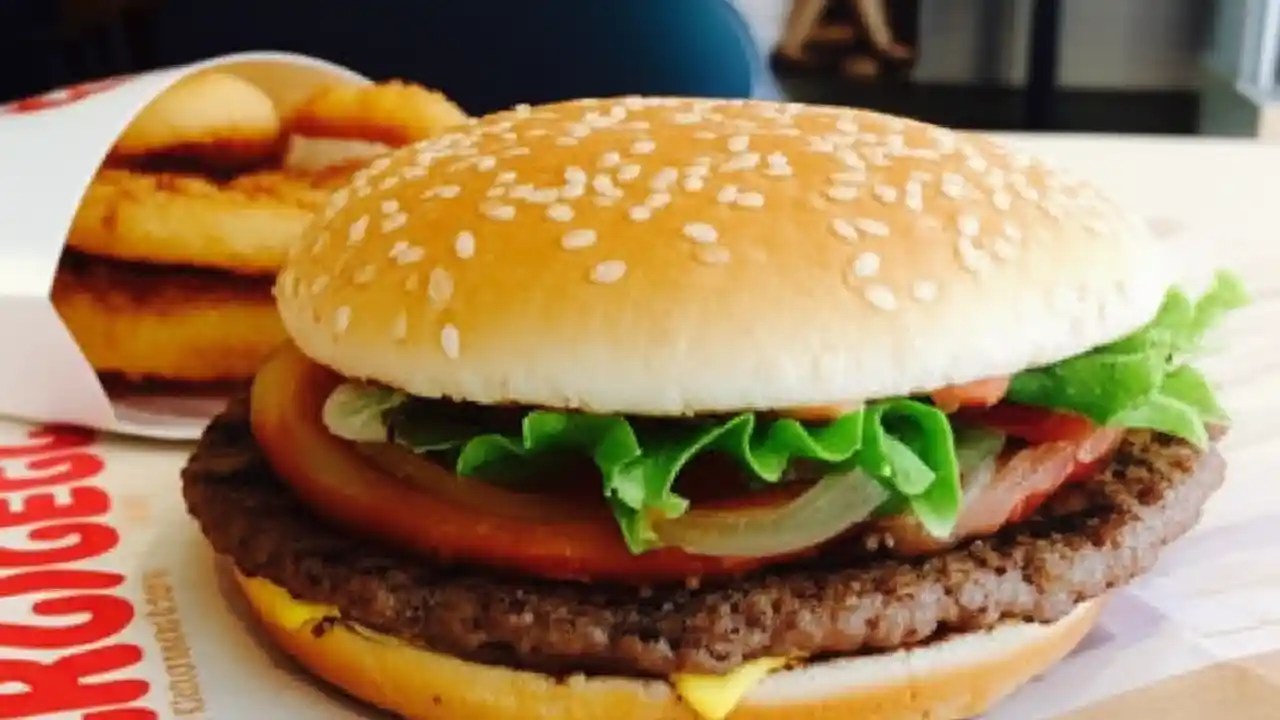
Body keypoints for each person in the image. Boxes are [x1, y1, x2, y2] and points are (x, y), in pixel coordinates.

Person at [771, 0, 915, 80]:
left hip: (839, 37)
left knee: (866, 67)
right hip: (795, 39)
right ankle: (882, 43)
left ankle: (881, 44)